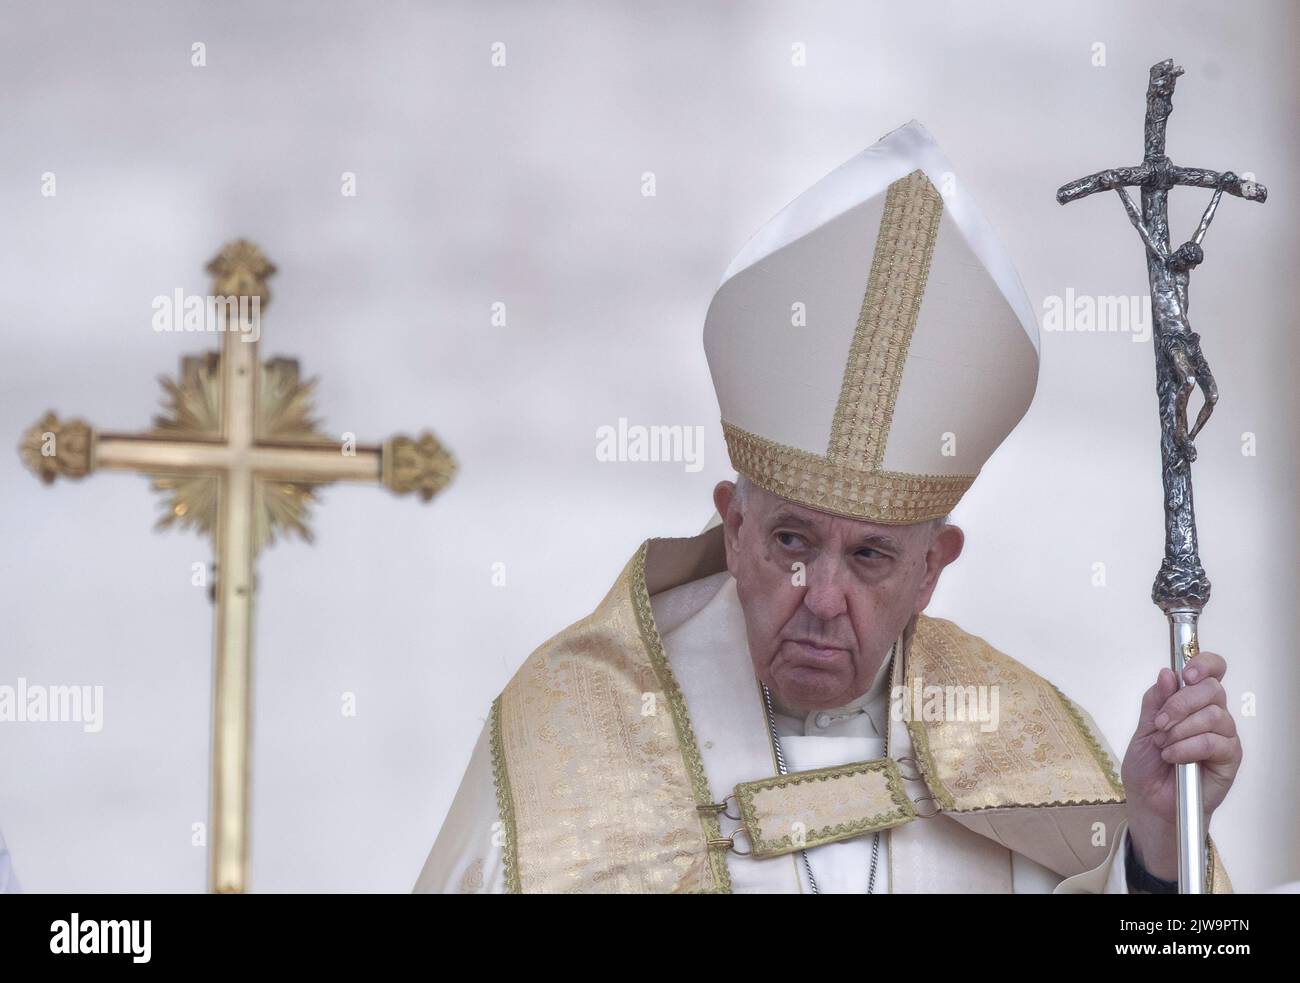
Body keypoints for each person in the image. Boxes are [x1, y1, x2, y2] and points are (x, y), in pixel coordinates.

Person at [414, 120, 1240, 893]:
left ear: (931, 569)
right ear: (734, 528)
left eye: (872, 555)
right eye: (791, 539)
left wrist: (1156, 854)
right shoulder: (569, 732)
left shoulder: (1024, 747)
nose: (821, 597)